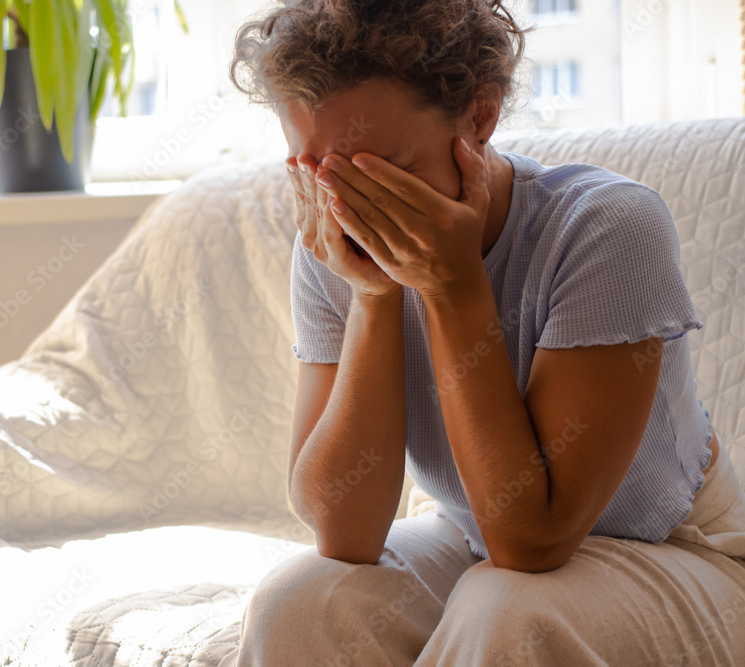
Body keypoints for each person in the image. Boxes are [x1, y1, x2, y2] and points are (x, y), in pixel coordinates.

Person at [218, 0, 745, 664]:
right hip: (477, 539)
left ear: (480, 117)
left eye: (385, 169)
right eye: (319, 170)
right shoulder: (331, 248)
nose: (352, 206)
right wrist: (374, 296)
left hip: (670, 547)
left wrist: (453, 286)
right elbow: (343, 532)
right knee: (301, 602)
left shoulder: (607, 227)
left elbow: (533, 540)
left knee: (509, 610)